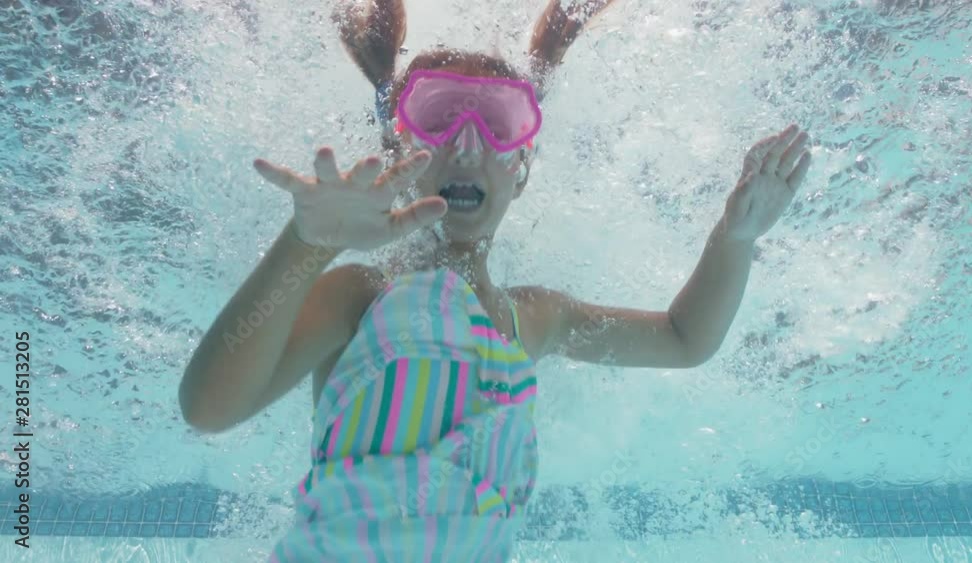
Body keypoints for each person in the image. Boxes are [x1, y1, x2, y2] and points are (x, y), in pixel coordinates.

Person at [178, 0, 812, 560]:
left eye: (496, 127)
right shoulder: (361, 298)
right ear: (398, 150)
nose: (467, 146)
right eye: (438, 119)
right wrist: (306, 246)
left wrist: (733, 240)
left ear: (522, 171)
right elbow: (209, 409)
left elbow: (682, 338)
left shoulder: (531, 318)